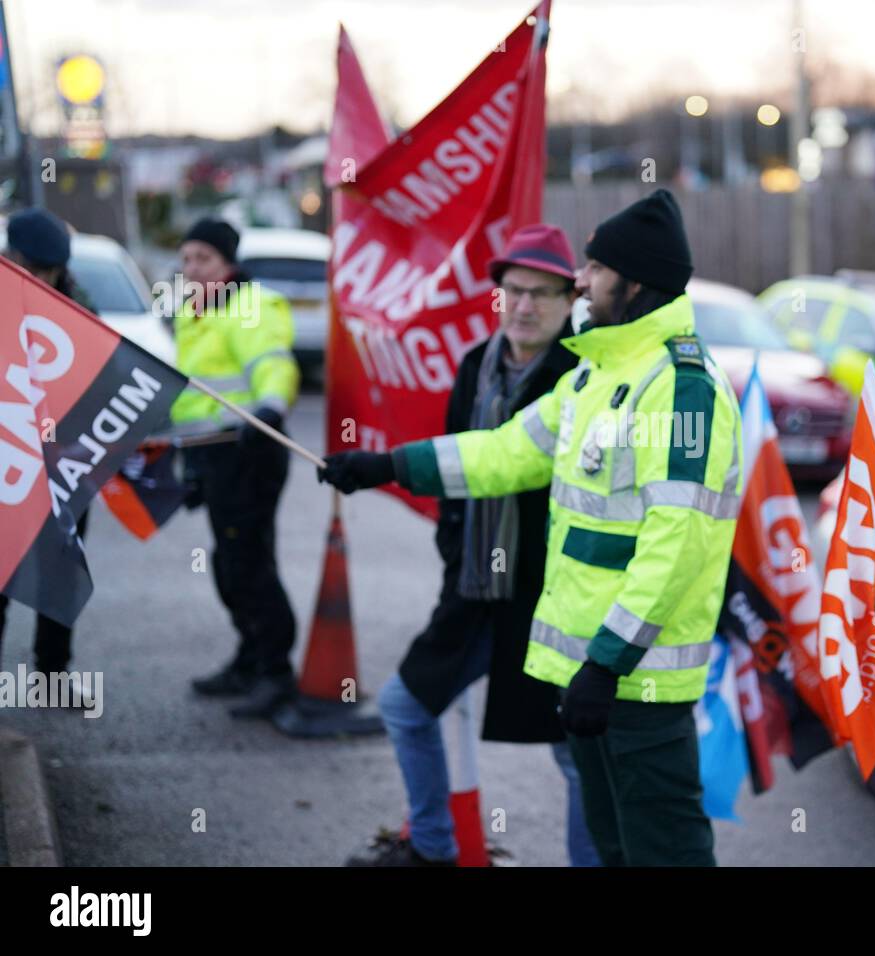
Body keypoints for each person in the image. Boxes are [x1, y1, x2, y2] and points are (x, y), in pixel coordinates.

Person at [321, 190, 741, 866]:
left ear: (634, 283)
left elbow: (678, 544)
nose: (580, 280)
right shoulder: (597, 375)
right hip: (590, 674)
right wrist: (389, 466)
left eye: (595, 268)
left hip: (636, 683)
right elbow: (507, 450)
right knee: (615, 849)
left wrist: (606, 662)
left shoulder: (681, 386)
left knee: (665, 853)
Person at [335, 224, 599, 866]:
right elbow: (456, 465)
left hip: (546, 602)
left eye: (542, 293)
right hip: (475, 589)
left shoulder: (583, 377)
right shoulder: (475, 364)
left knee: (574, 752)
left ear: (571, 302)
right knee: (404, 707)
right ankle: (432, 847)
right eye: (514, 290)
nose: (526, 305)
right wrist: (457, 553)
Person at [172, 218, 302, 719]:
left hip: (251, 449)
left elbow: (274, 364)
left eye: (203, 258)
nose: (192, 269)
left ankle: (275, 672)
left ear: (229, 265)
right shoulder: (194, 313)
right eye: (185, 260)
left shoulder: (249, 308)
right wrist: (189, 466)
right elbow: (193, 394)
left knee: (248, 564)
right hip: (213, 453)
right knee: (229, 563)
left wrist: (271, 406)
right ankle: (249, 660)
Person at [0, 209, 96, 708]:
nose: (38, 281)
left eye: (48, 273)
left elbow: (100, 377)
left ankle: (52, 683)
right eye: (30, 268)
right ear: (11, 256)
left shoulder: (79, 308)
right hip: (9, 463)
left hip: (64, 469)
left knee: (58, 576)